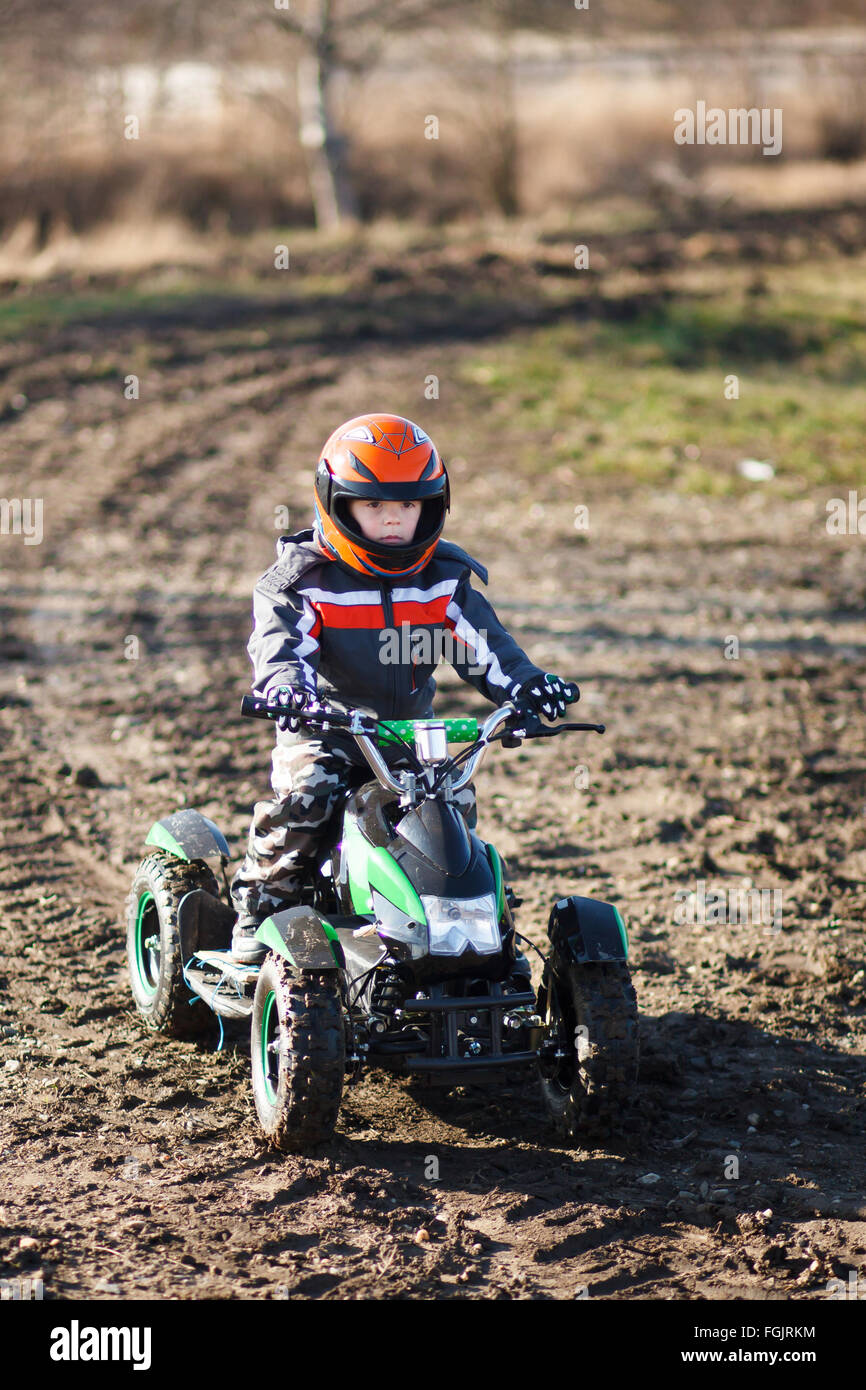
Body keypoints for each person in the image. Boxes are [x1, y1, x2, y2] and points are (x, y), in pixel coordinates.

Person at [230, 412, 577, 961]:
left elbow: (488, 647)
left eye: (408, 506)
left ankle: (448, 919)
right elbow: (280, 652)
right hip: (329, 731)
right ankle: (263, 906)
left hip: (413, 737)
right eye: (374, 506)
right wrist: (287, 691)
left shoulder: (440, 580)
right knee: (308, 797)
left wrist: (528, 687)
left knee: (450, 805)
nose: (393, 521)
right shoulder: (302, 582)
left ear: (432, 506)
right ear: (336, 503)